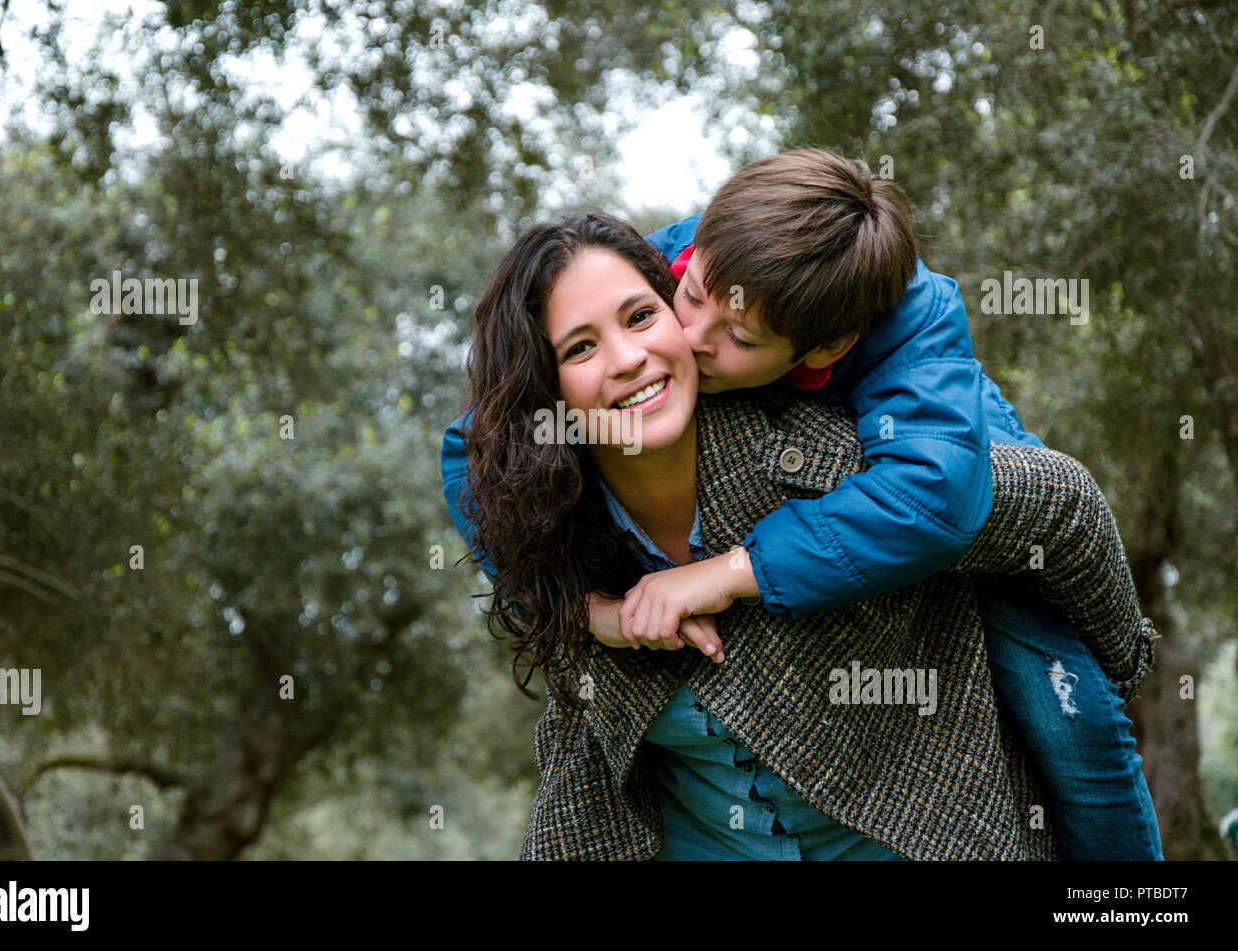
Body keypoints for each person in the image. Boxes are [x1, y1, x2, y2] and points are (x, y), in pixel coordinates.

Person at [444, 149, 1163, 860]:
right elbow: (473, 455)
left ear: (821, 351)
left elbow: (940, 500)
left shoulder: (911, 327)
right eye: (685, 296)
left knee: (1071, 718)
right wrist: (586, 610)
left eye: (738, 338)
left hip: (947, 458)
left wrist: (726, 571)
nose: (689, 339)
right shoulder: (657, 265)